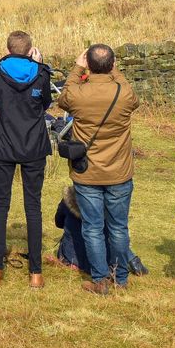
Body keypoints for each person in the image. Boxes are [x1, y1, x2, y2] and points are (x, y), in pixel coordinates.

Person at [0, 31, 55, 288]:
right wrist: (38, 65)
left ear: (8, 49)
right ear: (30, 50)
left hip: (5, 143)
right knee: (33, 206)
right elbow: (46, 104)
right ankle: (35, 274)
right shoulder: (42, 73)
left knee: (1, 204)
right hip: (34, 144)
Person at [58, 44, 141, 295]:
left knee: (92, 227)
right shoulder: (123, 93)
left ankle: (100, 279)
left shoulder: (78, 94)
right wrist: (114, 70)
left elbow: (63, 97)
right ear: (113, 65)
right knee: (118, 227)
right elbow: (133, 97)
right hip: (119, 171)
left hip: (88, 172)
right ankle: (120, 278)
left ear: (88, 65)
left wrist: (77, 68)